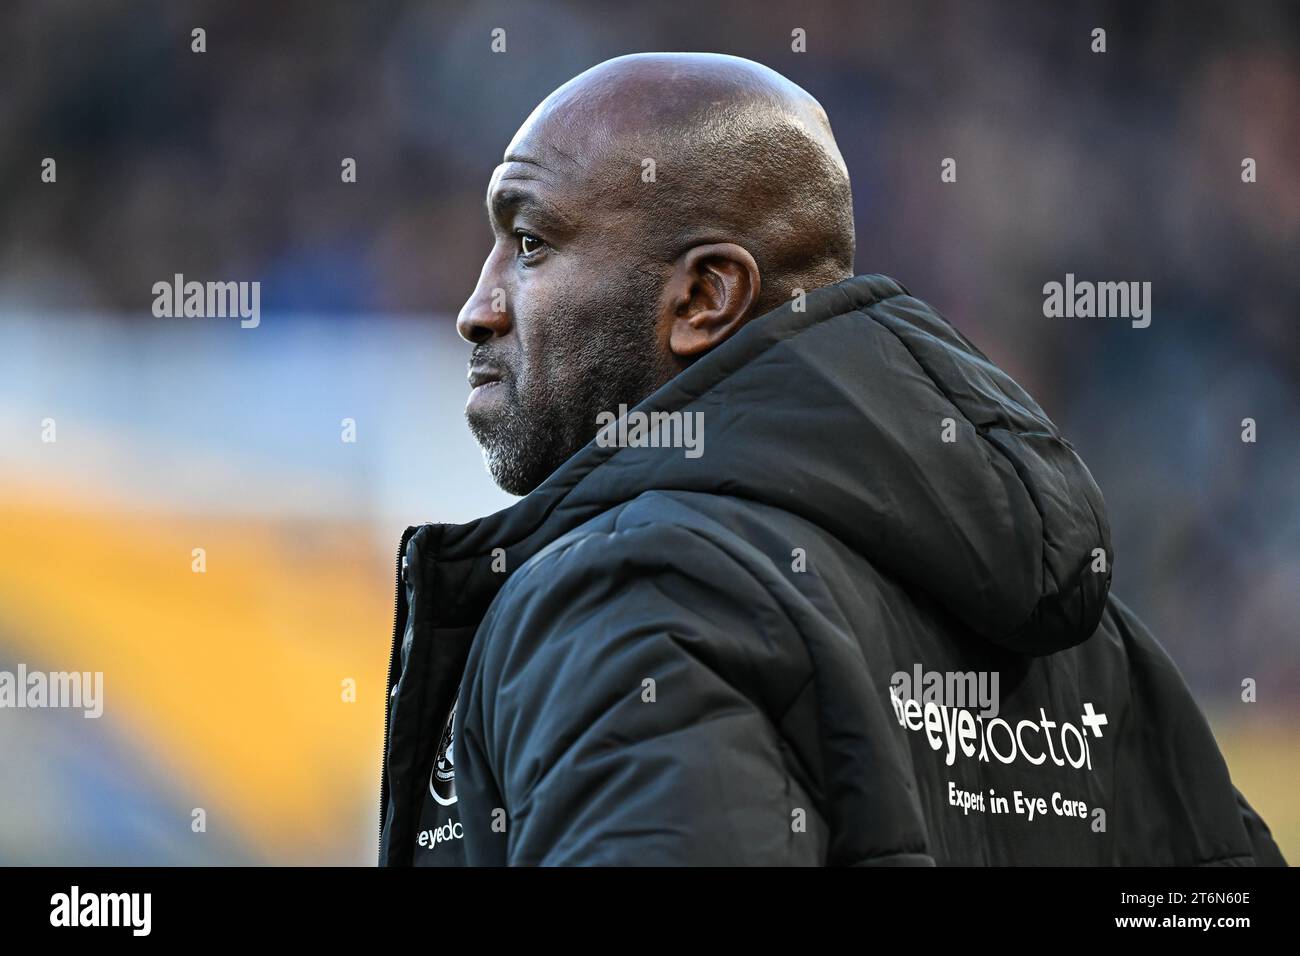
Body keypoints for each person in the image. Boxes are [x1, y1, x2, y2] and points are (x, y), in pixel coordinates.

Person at [378, 52, 1284, 866]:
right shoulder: (1107, 659)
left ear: (705, 296)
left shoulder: (630, 597)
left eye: (530, 244)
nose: (478, 306)